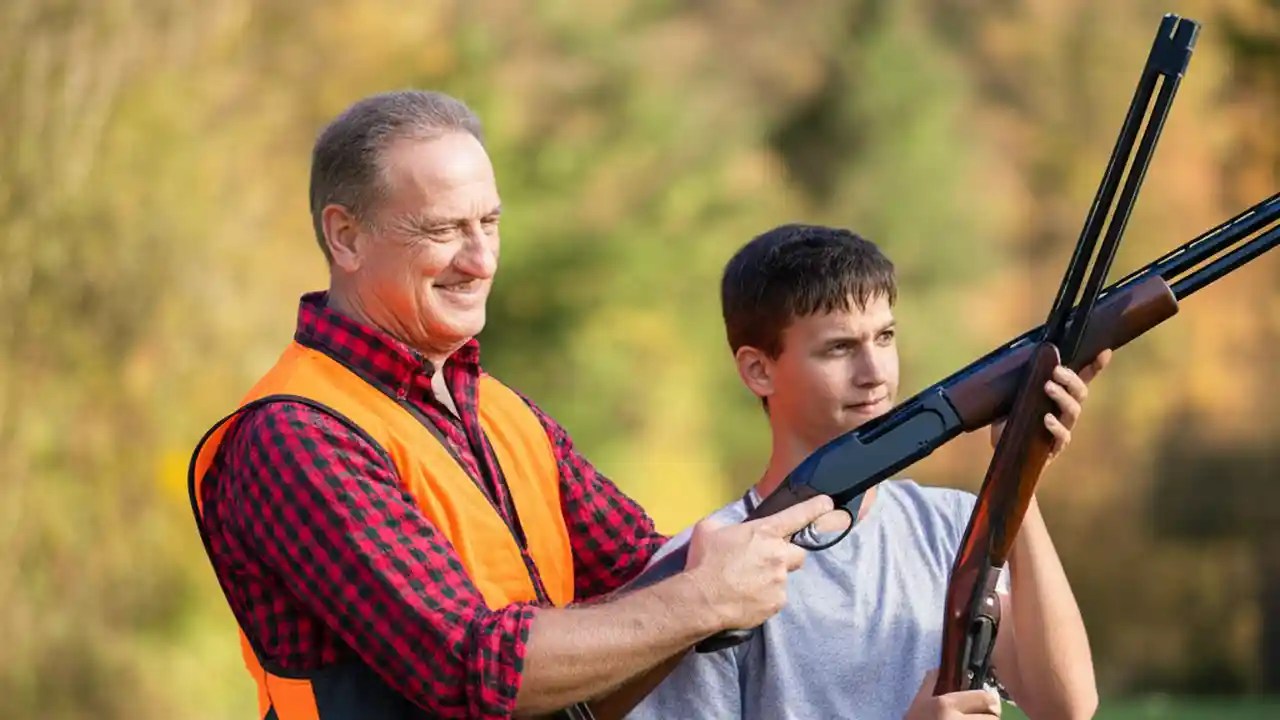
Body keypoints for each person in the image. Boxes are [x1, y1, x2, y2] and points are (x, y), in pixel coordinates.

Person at [187, 90, 835, 720]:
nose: (480, 260)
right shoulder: (294, 434)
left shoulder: (501, 412)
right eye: (444, 229)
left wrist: (810, 519)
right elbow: (468, 670)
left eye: (489, 223)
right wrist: (702, 601)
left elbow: (642, 570)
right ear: (346, 237)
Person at [627, 225, 1108, 720]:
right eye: (839, 348)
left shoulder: (951, 525)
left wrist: (1019, 467)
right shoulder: (710, 568)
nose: (875, 373)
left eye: (885, 337)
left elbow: (1065, 707)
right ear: (758, 370)